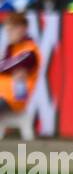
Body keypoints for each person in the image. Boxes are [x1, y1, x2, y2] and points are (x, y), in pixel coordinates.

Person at [0, 12, 40, 140]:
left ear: (22, 28)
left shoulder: (29, 51)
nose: (8, 34)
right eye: (7, 30)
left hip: (14, 97)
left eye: (11, 30)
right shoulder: (12, 48)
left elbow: (5, 67)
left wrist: (6, 66)